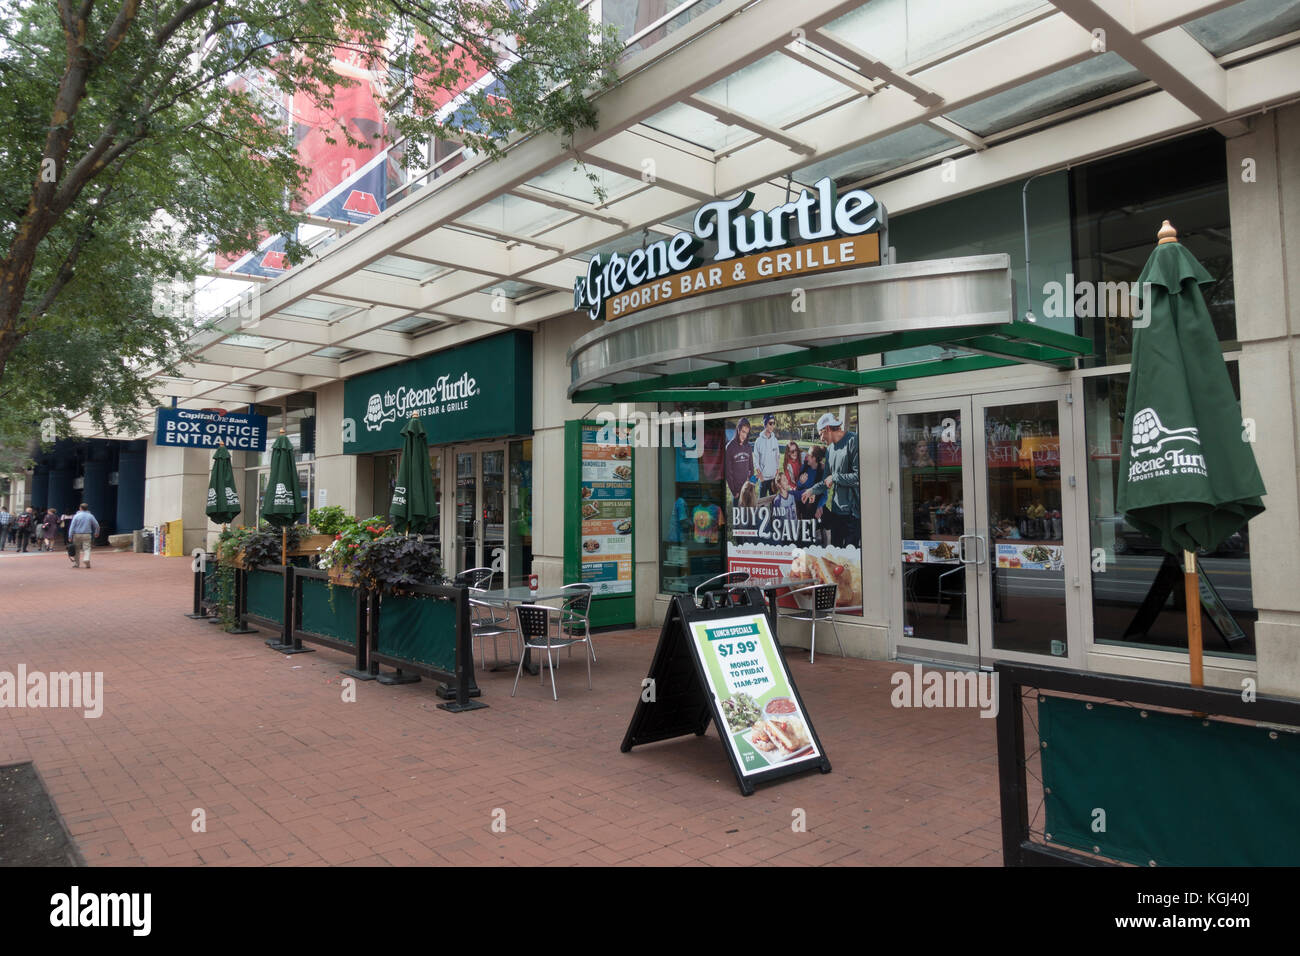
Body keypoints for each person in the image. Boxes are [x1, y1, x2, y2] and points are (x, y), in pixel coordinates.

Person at [813, 411, 860, 549]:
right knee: (835, 556)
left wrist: (835, 477)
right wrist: (811, 491)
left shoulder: (853, 441)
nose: (821, 438)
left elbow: (859, 477)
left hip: (853, 514)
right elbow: (825, 480)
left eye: (821, 433)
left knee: (851, 563)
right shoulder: (829, 450)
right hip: (836, 512)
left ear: (827, 429)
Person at [723, 417, 754, 501]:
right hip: (737, 491)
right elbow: (728, 473)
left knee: (748, 513)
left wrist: (751, 484)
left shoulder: (748, 446)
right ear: (738, 430)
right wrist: (734, 491)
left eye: (747, 433)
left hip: (748, 489)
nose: (744, 436)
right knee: (737, 513)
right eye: (743, 432)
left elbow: (751, 467)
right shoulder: (729, 447)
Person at [753, 413, 781, 496]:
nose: (772, 426)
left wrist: (777, 472)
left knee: (774, 502)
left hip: (773, 478)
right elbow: (756, 460)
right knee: (762, 504)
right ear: (765, 424)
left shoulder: (775, 440)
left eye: (773, 423)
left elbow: (777, 457)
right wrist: (760, 476)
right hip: (763, 479)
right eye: (770, 423)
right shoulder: (758, 441)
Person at [68, 503, 100, 569]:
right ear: (87, 508)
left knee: (76, 549)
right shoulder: (90, 516)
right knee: (87, 548)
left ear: (80, 508)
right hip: (87, 534)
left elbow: (72, 527)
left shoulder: (76, 516)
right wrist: (96, 532)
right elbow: (97, 525)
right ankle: (86, 559)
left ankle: (77, 564)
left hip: (77, 534)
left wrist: (70, 536)